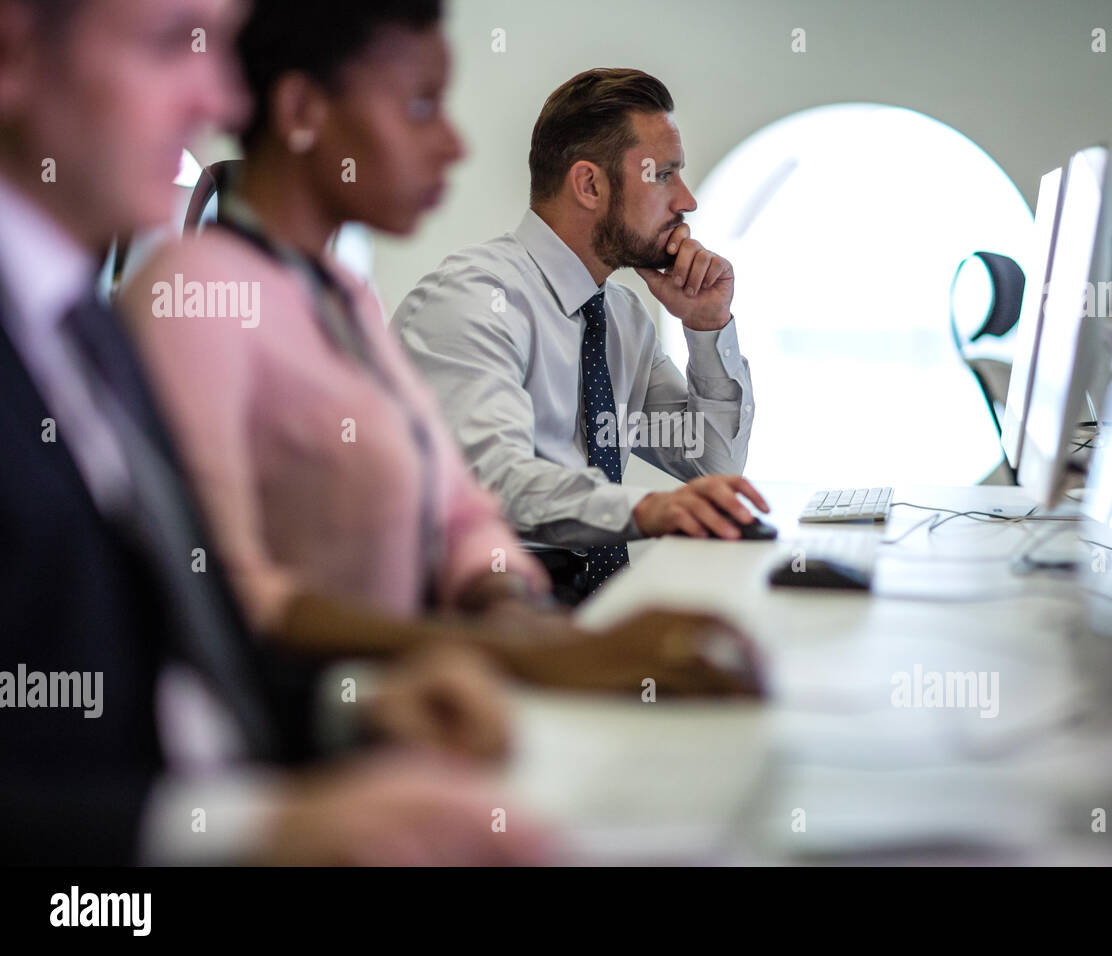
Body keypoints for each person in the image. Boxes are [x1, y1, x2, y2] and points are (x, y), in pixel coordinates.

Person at [0, 0, 545, 865]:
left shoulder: (83, 329)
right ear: (14, 48)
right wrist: (253, 829)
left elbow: (174, 662)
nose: (219, 103)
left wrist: (359, 706)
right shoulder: (181, 298)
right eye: (165, 45)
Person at [118, 1, 764, 695]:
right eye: (421, 106)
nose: (454, 144)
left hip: (453, 653)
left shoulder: (343, 296)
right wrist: (537, 645)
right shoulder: (201, 296)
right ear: (304, 111)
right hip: (325, 718)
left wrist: (526, 621)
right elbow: (223, 594)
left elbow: (460, 512)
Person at [392, 68, 767, 603]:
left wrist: (706, 330)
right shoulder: (474, 300)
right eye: (662, 175)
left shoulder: (619, 315)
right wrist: (642, 510)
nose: (686, 200)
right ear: (590, 185)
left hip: (589, 596)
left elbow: (711, 462)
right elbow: (493, 482)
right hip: (489, 601)